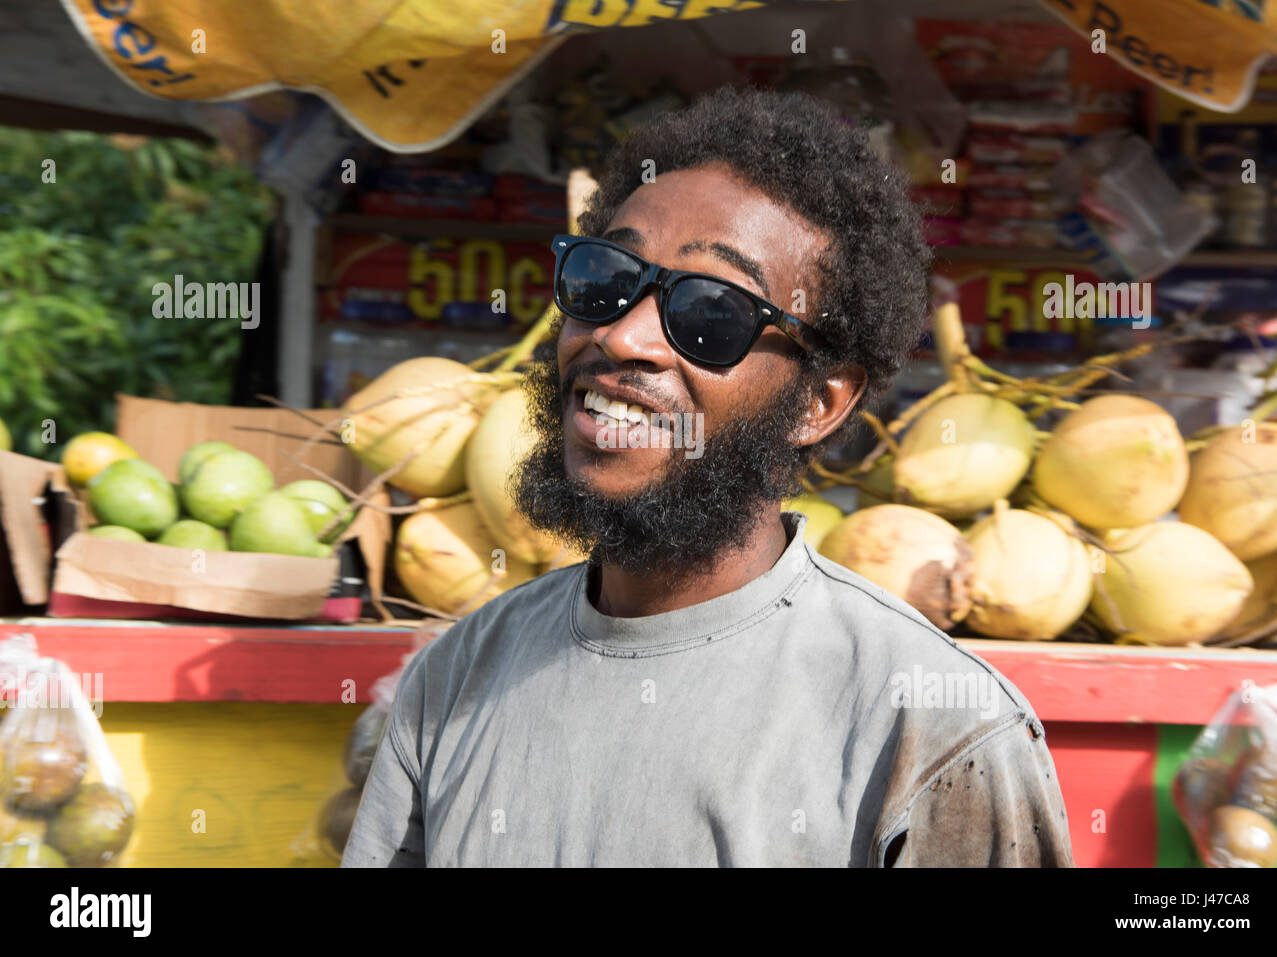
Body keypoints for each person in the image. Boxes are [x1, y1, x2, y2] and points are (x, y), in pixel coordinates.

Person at [342, 86, 1074, 867]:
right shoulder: (453, 679)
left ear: (818, 402)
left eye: (711, 313)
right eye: (604, 279)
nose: (623, 336)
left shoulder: (934, 726)